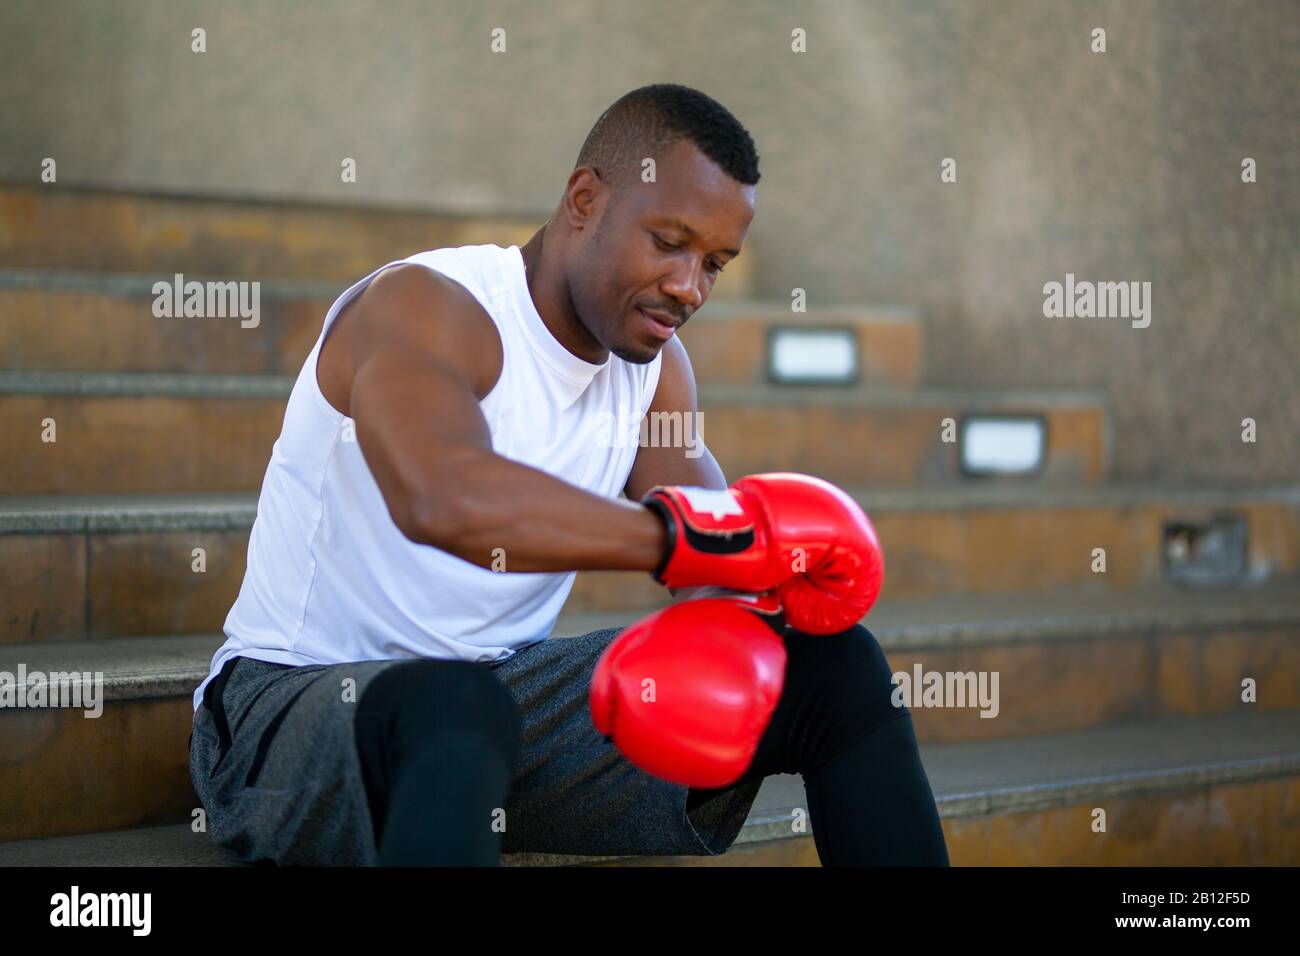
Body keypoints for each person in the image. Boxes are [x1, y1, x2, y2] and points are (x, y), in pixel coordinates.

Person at [188, 83, 949, 867]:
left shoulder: (654, 374)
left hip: (500, 713)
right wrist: (678, 539)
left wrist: (741, 609)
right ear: (584, 199)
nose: (690, 287)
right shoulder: (428, 305)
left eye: (714, 263)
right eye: (669, 242)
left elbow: (713, 548)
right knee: (455, 705)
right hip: (293, 710)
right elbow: (442, 494)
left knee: (834, 670)